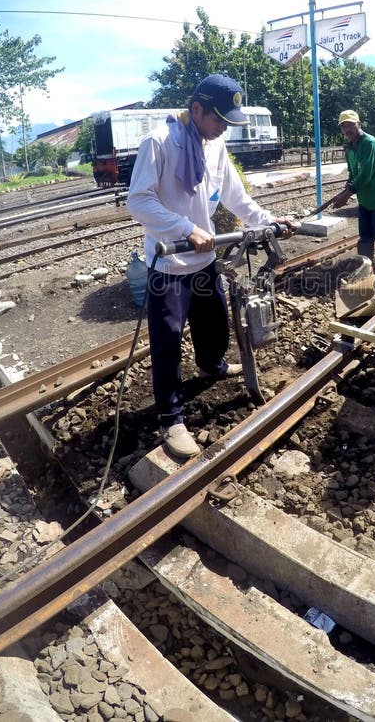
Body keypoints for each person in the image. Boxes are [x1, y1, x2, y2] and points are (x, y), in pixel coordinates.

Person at [126, 74, 292, 461]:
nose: (222, 129)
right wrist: (186, 228)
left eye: (226, 122)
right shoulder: (159, 143)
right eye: (218, 120)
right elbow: (139, 201)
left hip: (203, 260)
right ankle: (170, 416)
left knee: (214, 321)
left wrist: (267, 221)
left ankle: (210, 365)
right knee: (167, 339)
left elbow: (236, 197)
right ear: (196, 109)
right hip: (168, 262)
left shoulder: (216, 148)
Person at [331, 109, 375, 269]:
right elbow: (354, 172)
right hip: (365, 198)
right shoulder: (349, 147)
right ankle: (366, 264)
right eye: (343, 126)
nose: (347, 129)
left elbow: (366, 173)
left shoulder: (370, 143)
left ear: (358, 124)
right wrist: (348, 184)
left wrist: (347, 195)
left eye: (350, 125)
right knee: (365, 234)